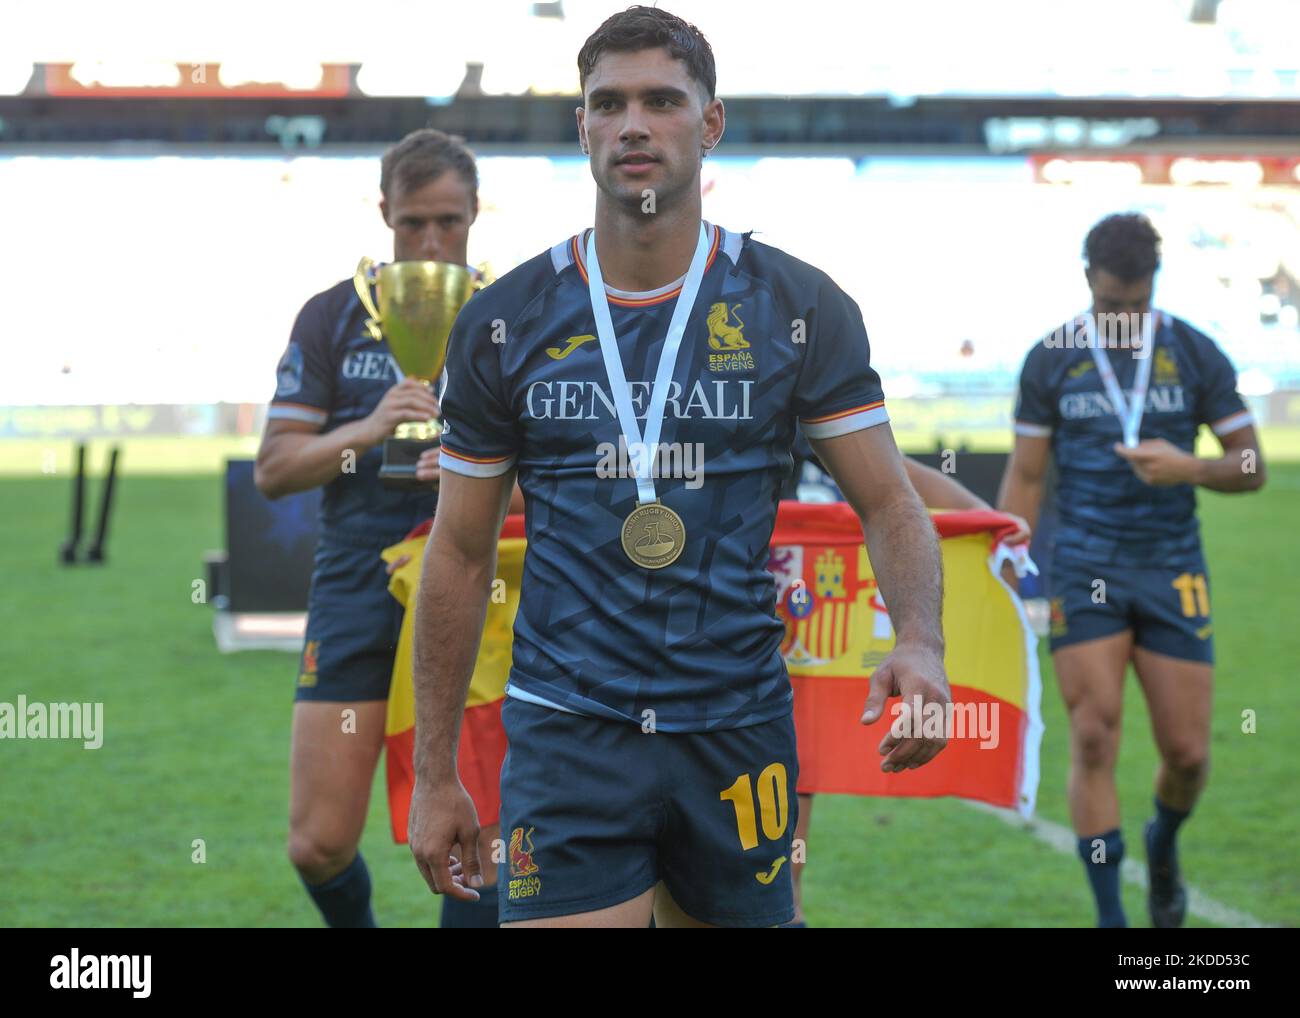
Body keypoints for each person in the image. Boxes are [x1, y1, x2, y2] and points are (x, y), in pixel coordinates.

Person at [407, 5, 950, 928]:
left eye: (662, 100)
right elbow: (457, 553)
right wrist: (433, 772)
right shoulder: (506, 319)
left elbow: (890, 501)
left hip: (735, 727)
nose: (633, 125)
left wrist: (921, 641)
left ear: (710, 121)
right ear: (580, 125)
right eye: (607, 103)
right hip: (566, 725)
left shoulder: (798, 306)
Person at [255, 128, 504, 928]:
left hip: (478, 586)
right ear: (384, 215)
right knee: (317, 841)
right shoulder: (333, 316)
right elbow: (276, 468)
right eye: (412, 224)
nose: (432, 241)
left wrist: (482, 471)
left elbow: (562, 460)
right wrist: (366, 428)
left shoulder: (512, 316)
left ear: (475, 216)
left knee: (485, 843)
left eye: (449, 223)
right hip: (359, 580)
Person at [997, 212, 1266, 928]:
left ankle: (1164, 841)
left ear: (1155, 288)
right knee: (1093, 735)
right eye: (1112, 305)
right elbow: (1026, 477)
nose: (1124, 320)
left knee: (1187, 752)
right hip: (1084, 562)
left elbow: (1251, 466)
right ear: (1089, 281)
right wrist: (1007, 566)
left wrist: (1191, 467)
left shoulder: (1193, 352)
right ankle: (1114, 921)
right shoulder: (1051, 358)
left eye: (1137, 306)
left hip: (1172, 565)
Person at [782, 434, 1032, 926]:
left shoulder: (796, 412)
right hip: (691, 669)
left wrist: (987, 521)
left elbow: (897, 482)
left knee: (779, 873)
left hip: (788, 676)